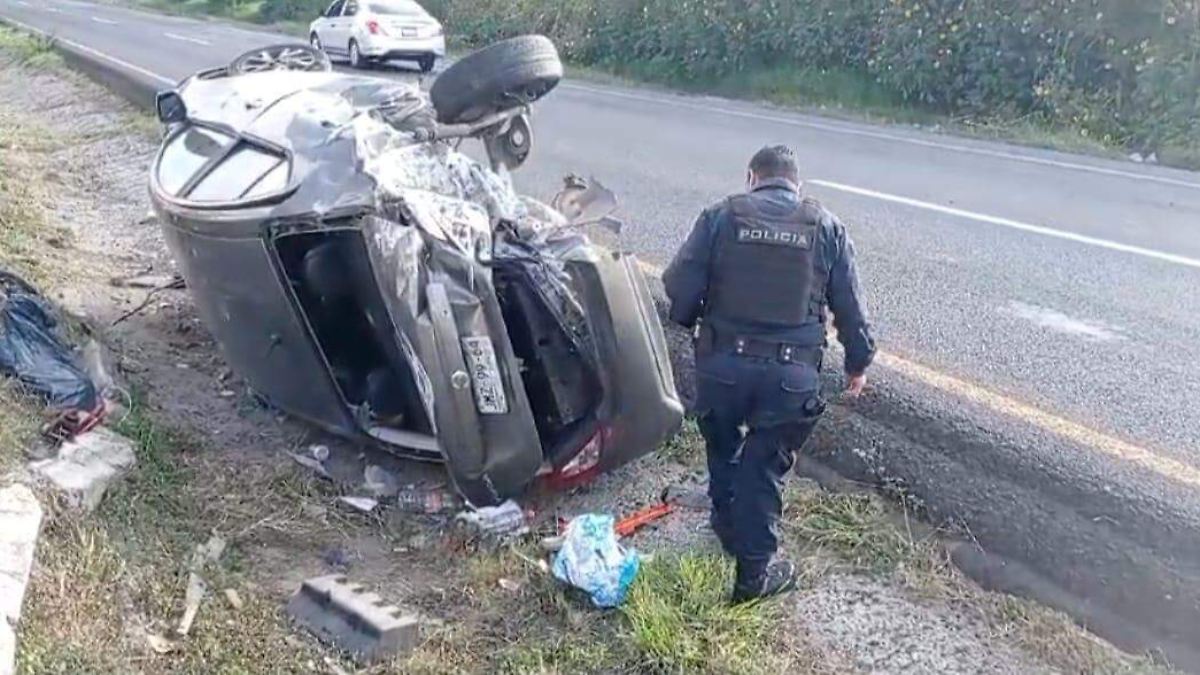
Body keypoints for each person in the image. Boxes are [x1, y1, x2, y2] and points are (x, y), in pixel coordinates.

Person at [663, 145, 876, 602]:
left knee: (722, 442)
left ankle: (725, 523)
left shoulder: (720, 217)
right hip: (789, 376)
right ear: (797, 184)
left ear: (751, 177)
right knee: (764, 469)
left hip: (721, 367)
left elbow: (679, 285)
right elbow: (851, 311)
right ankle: (753, 578)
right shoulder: (827, 227)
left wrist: (685, 320)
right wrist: (858, 363)